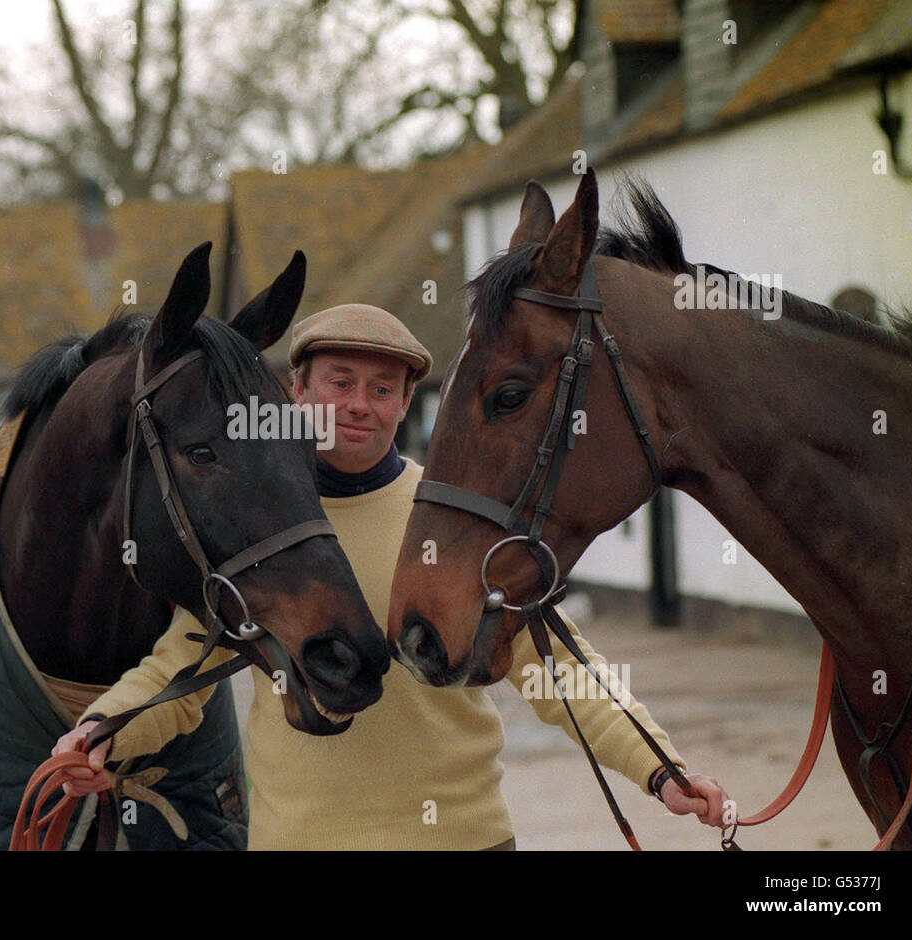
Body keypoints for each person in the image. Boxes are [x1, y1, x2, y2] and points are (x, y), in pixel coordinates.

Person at [53, 303, 729, 849]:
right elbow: (180, 673)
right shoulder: (253, 533)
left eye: (382, 390)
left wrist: (658, 768)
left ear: (406, 405)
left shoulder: (462, 530)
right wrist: (102, 732)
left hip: (464, 841)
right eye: (339, 382)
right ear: (296, 390)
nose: (358, 405)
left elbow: (559, 670)